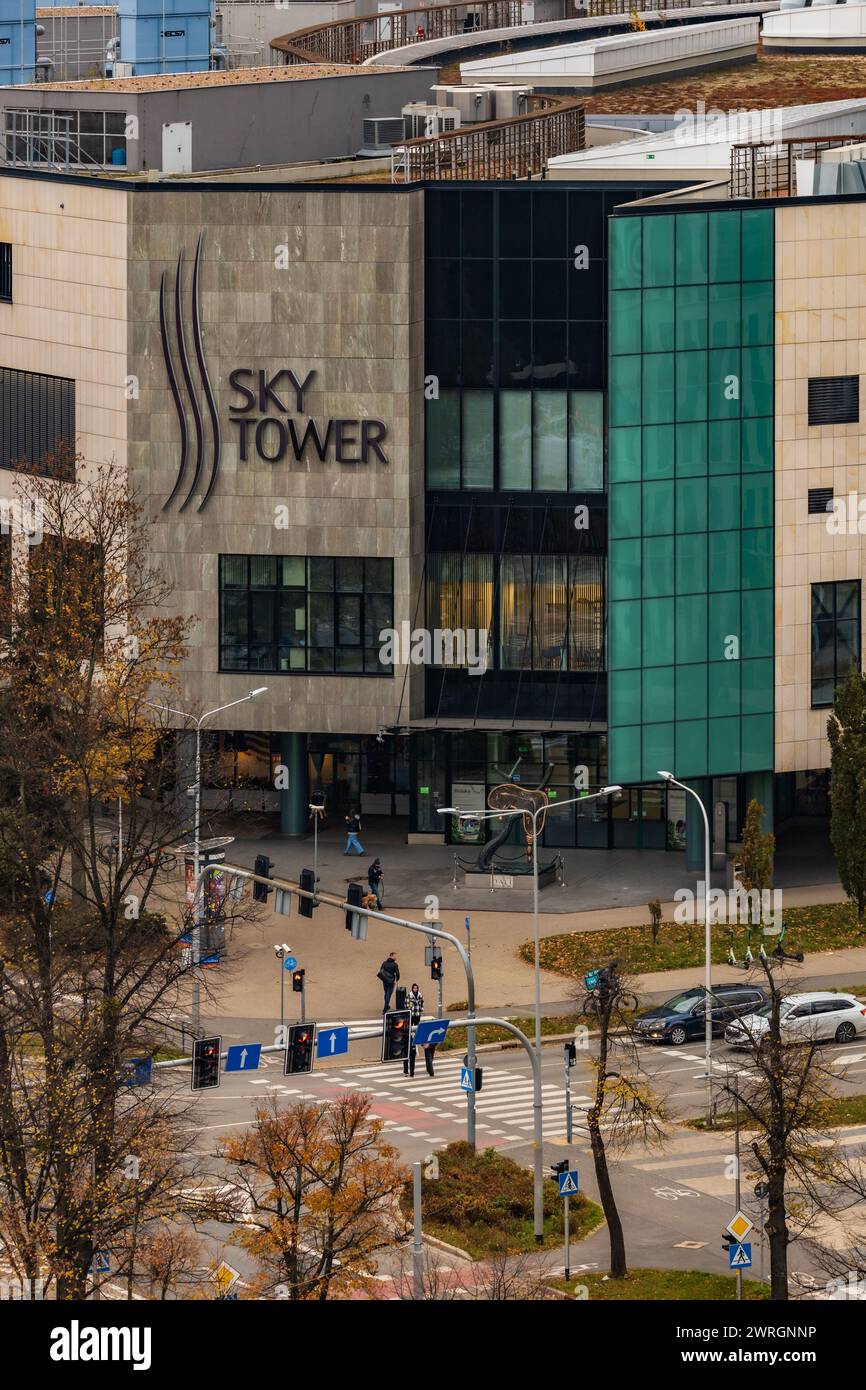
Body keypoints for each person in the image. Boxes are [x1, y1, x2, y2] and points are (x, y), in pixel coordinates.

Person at [404, 982, 424, 1077]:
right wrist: (409, 1009)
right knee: (412, 1027)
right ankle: (411, 1034)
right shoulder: (409, 995)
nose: (415, 989)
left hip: (417, 1014)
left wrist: (421, 1009)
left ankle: (415, 1035)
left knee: (417, 1026)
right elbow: (406, 1004)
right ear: (412, 989)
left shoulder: (420, 995)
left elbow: (422, 1002)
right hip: (412, 1014)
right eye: (414, 988)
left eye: (416, 988)